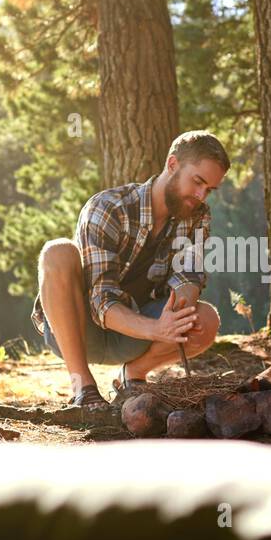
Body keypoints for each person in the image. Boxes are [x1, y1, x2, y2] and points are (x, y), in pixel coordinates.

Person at [33, 131, 229, 408]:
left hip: (137, 333)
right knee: (57, 252)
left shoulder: (198, 215)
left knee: (204, 318)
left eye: (209, 189)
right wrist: (156, 328)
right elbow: (102, 302)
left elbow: (189, 274)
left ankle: (133, 375)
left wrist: (178, 315)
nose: (200, 195)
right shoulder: (108, 207)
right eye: (197, 182)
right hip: (81, 329)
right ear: (172, 165)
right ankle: (82, 387)